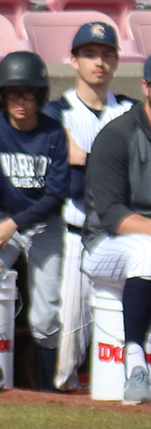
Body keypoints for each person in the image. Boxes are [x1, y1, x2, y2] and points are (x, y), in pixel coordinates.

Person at [0, 51, 70, 396]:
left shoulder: (54, 131)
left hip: (44, 225)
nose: (22, 101)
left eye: (29, 93)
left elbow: (55, 196)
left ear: (41, 96)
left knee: (44, 316)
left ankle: (45, 388)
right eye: (14, 93)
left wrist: (12, 224)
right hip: (3, 221)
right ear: (3, 95)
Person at [47, 22, 135, 392]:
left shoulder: (132, 111)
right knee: (69, 333)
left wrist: (85, 157)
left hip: (125, 235)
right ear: (73, 60)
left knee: (134, 325)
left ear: (116, 61)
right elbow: (57, 161)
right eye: (90, 54)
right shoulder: (56, 112)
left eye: (106, 54)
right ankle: (59, 396)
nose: (99, 62)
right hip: (76, 232)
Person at [81, 58, 151, 404]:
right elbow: (113, 217)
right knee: (146, 250)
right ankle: (136, 365)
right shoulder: (117, 135)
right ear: (146, 87)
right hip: (104, 246)